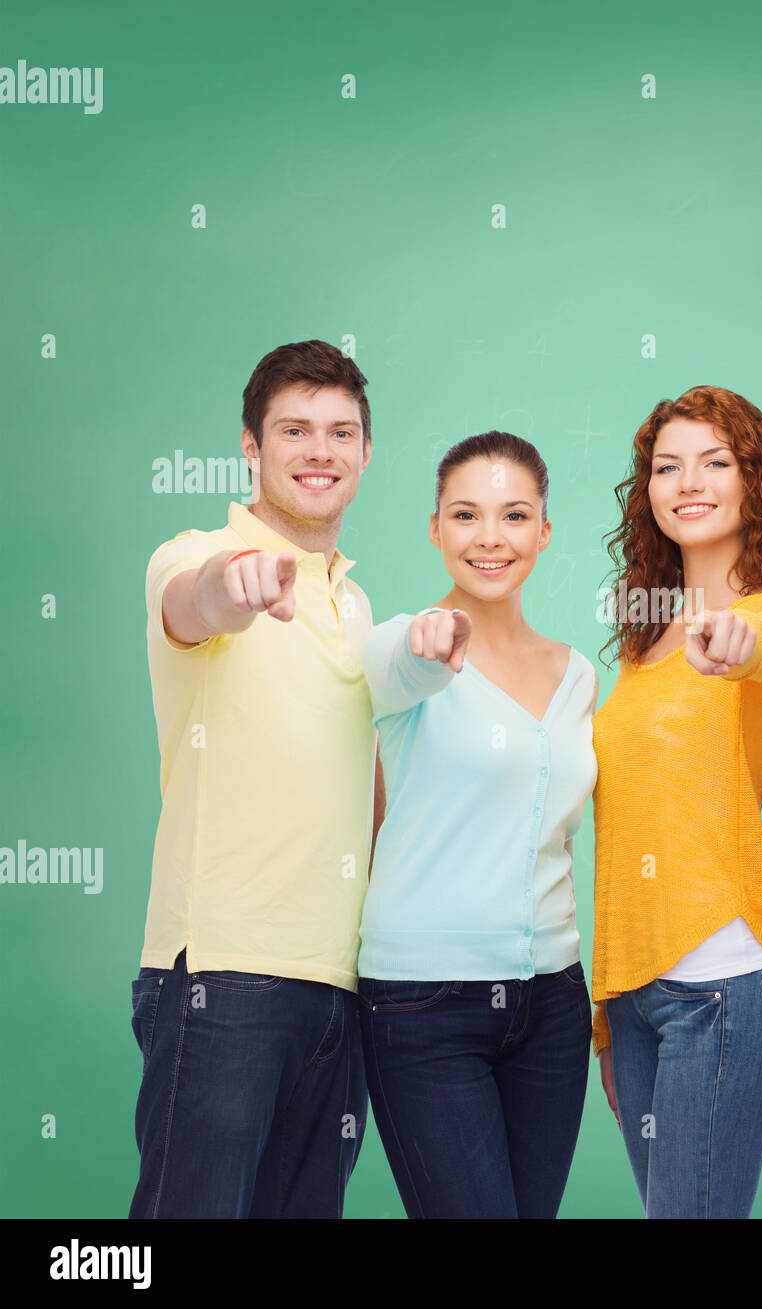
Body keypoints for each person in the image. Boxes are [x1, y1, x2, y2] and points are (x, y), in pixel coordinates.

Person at [130, 340, 381, 1218]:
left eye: (340, 432)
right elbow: (194, 603)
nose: (320, 450)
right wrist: (232, 587)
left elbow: (361, 784)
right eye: (294, 430)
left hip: (338, 988)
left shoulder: (357, 605)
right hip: (222, 977)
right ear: (250, 445)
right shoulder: (196, 551)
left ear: (364, 452)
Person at [591, 385, 762, 1218]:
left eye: (716, 462)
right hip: (637, 992)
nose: (688, 481)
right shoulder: (640, 642)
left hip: (726, 985)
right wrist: (609, 1010)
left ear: (755, 480)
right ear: (647, 490)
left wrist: (734, 637)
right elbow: (624, 828)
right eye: (667, 465)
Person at [358, 431, 597, 1219]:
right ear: (435, 529)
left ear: (544, 532)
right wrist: (428, 636)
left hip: (554, 1007)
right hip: (423, 1005)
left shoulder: (579, 676)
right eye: (466, 515)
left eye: (513, 515)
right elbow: (398, 657)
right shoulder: (404, 653)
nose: (490, 537)